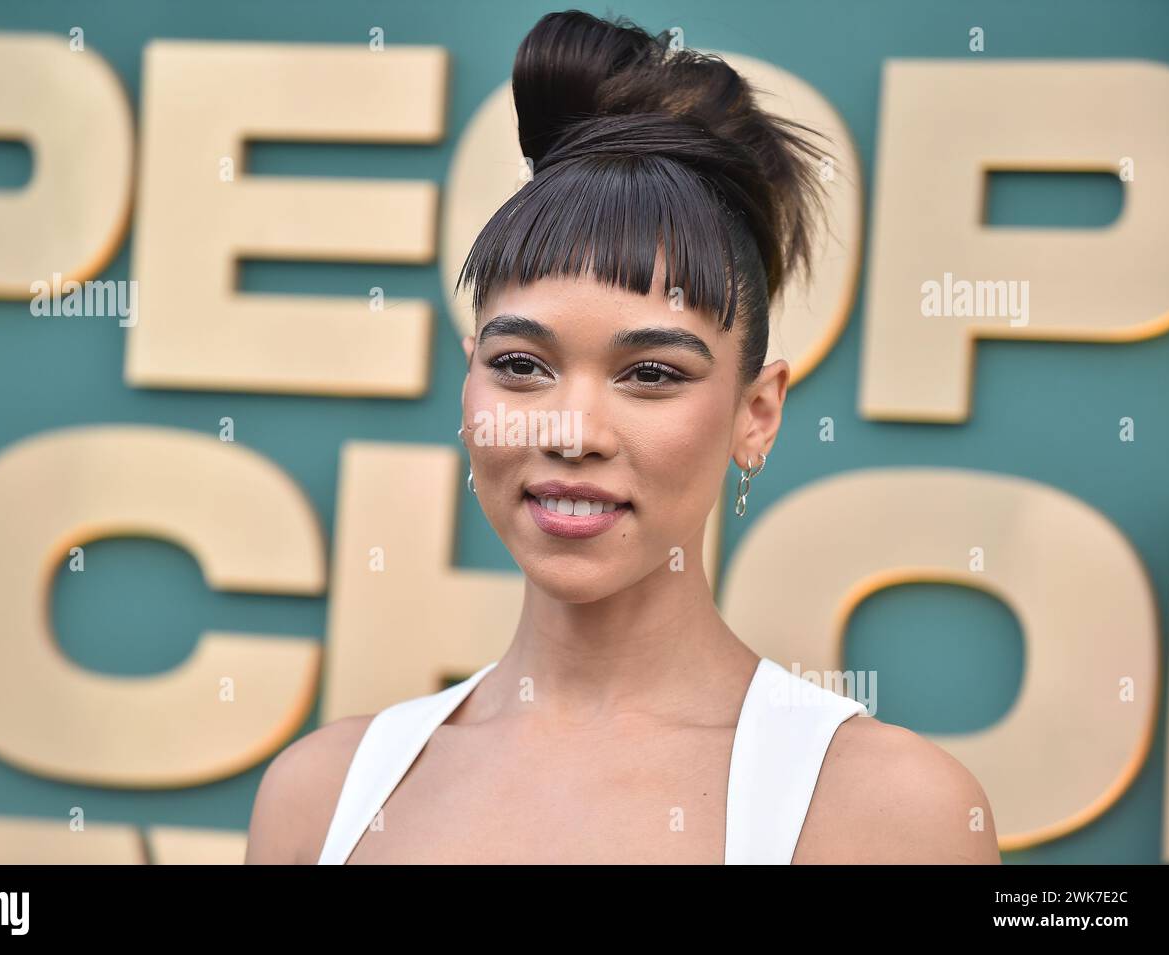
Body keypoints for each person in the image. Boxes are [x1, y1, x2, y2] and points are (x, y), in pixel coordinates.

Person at [246, 9, 1001, 864]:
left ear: (756, 413)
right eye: (521, 365)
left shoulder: (894, 812)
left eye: (651, 374)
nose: (573, 432)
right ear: (469, 383)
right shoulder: (320, 794)